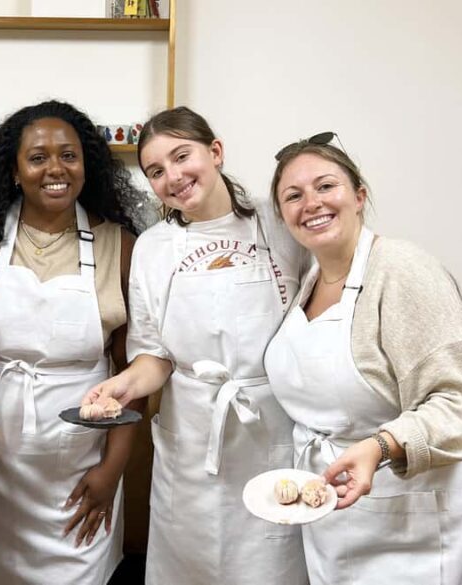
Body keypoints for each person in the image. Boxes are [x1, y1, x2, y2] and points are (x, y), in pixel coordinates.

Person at [263, 132, 462, 585]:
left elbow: (461, 403)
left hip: (421, 512)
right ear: (282, 216)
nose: (310, 202)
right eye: (293, 196)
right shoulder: (310, 282)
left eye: (325, 186)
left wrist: (379, 448)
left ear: (359, 195)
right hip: (345, 506)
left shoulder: (402, 269)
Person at [82, 106, 309, 584]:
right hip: (191, 434)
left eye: (182, 156)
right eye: (156, 172)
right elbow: (154, 356)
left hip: (272, 428)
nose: (173, 177)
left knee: (271, 564)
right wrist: (121, 385)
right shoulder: (152, 248)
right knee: (191, 565)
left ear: (216, 151)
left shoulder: (281, 228)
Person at [0, 99, 145, 585]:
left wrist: (112, 471)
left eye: (68, 155)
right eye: (38, 157)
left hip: (78, 471)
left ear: (86, 165)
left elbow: (132, 378)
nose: (55, 168)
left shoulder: (120, 245)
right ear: (14, 170)